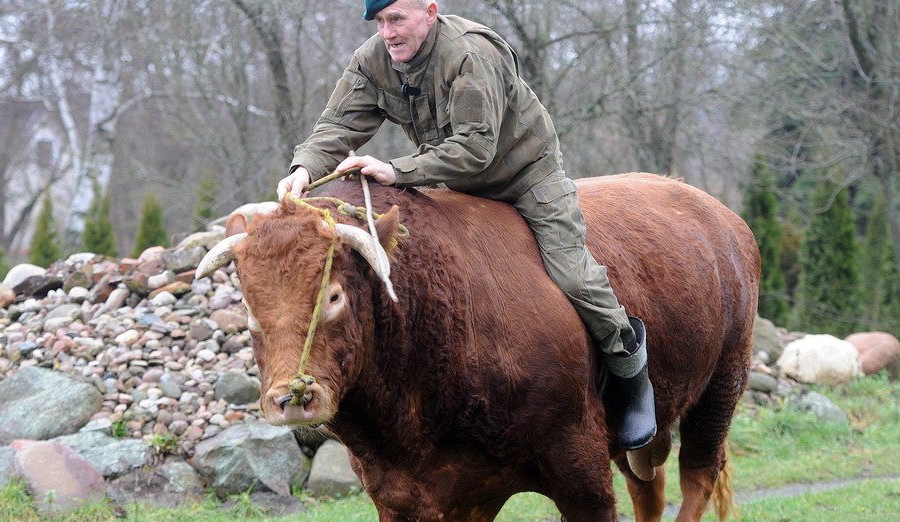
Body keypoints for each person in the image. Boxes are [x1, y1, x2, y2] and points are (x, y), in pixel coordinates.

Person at [276, 0, 655, 451]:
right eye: (379, 22)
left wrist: (396, 170)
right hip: (453, 186)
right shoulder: (374, 59)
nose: (387, 32)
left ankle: (631, 376)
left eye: (396, 18)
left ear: (430, 11)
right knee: (434, 283)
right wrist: (303, 168)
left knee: (574, 276)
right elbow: (337, 125)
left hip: (525, 178)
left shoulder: (470, 53)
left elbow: (477, 147)